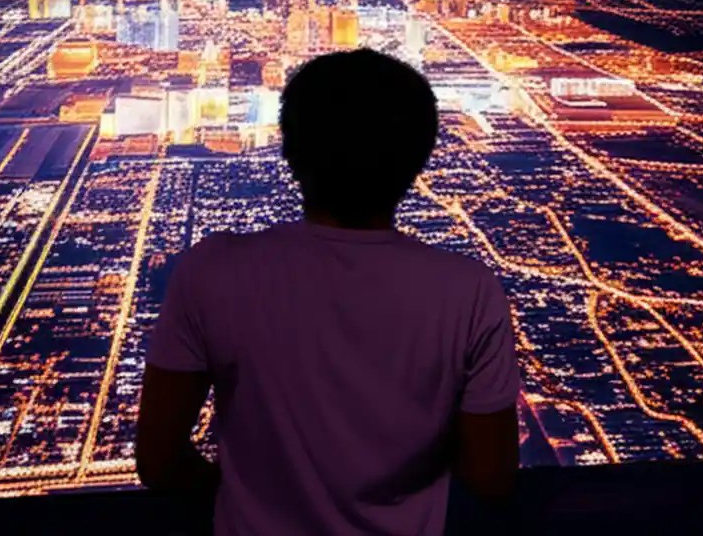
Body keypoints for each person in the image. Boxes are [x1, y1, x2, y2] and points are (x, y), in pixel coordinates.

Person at [136, 48, 521, 535]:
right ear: (419, 159)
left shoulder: (212, 271)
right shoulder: (468, 291)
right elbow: (491, 478)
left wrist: (240, 497)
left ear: (290, 153)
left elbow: (159, 462)